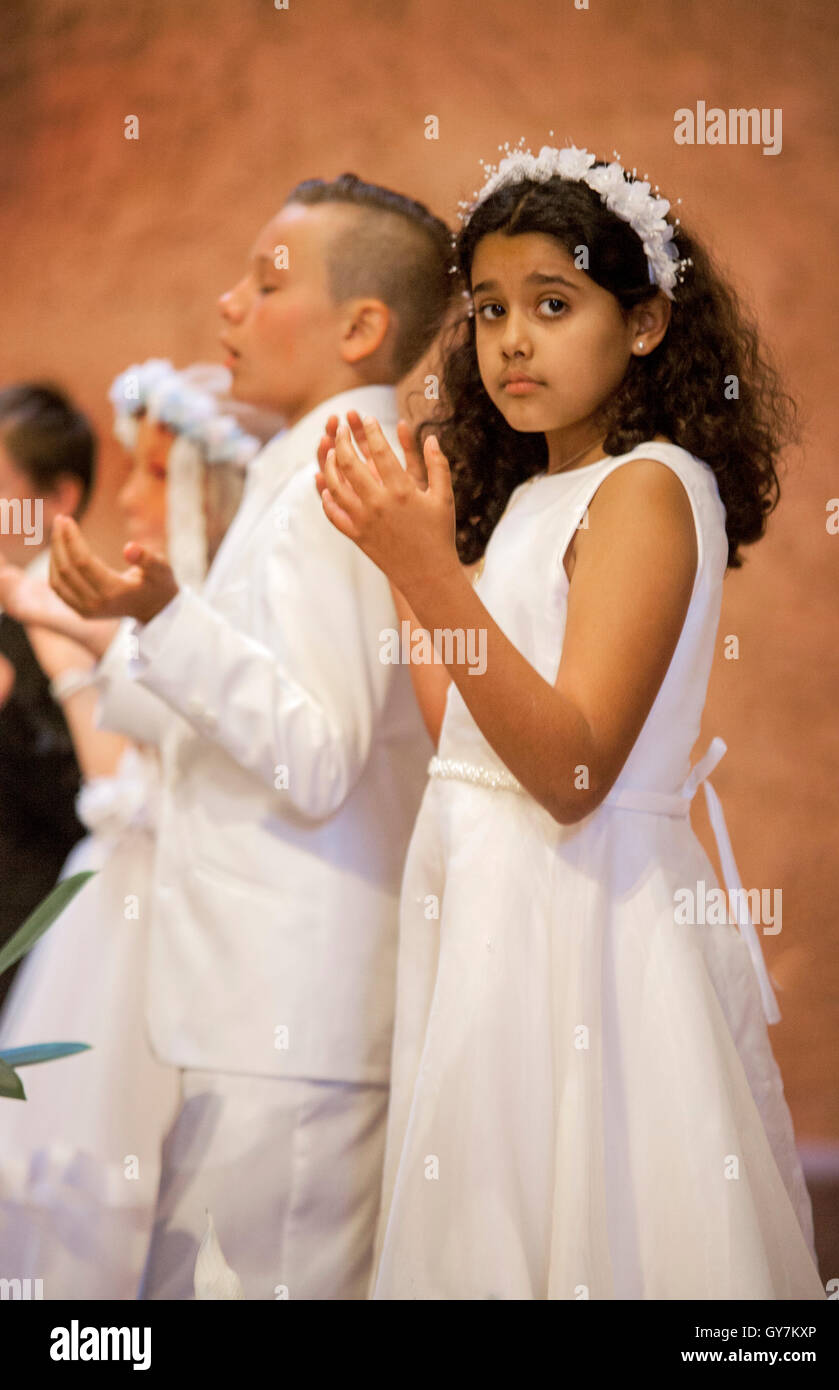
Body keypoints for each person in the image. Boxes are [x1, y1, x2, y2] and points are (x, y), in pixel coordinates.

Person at [315, 144, 826, 1299]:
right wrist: (412, 565)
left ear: (642, 324)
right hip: (492, 887)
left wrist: (432, 578)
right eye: (488, 308)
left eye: (553, 304)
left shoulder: (647, 486)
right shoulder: (534, 498)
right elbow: (463, 726)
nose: (510, 340)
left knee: (594, 1222)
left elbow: (573, 768)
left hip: (583, 909)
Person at [48, 176, 455, 1299]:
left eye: (266, 281)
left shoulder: (340, 473)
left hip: (294, 1008)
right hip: (260, 1003)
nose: (227, 305)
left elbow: (314, 752)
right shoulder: (299, 462)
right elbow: (226, 710)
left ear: (361, 327)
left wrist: (162, 616)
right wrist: (119, 630)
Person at [0, 360, 276, 1299]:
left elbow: (115, 785)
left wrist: (66, 647)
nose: (135, 497)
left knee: (146, 1194)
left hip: (150, 918)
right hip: (111, 917)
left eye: (159, 474)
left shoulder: (184, 622)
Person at [0, 384, 96, 1008]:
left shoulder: (81, 621)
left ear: (58, 498)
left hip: (33, 940)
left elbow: (95, 800)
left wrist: (8, 708)